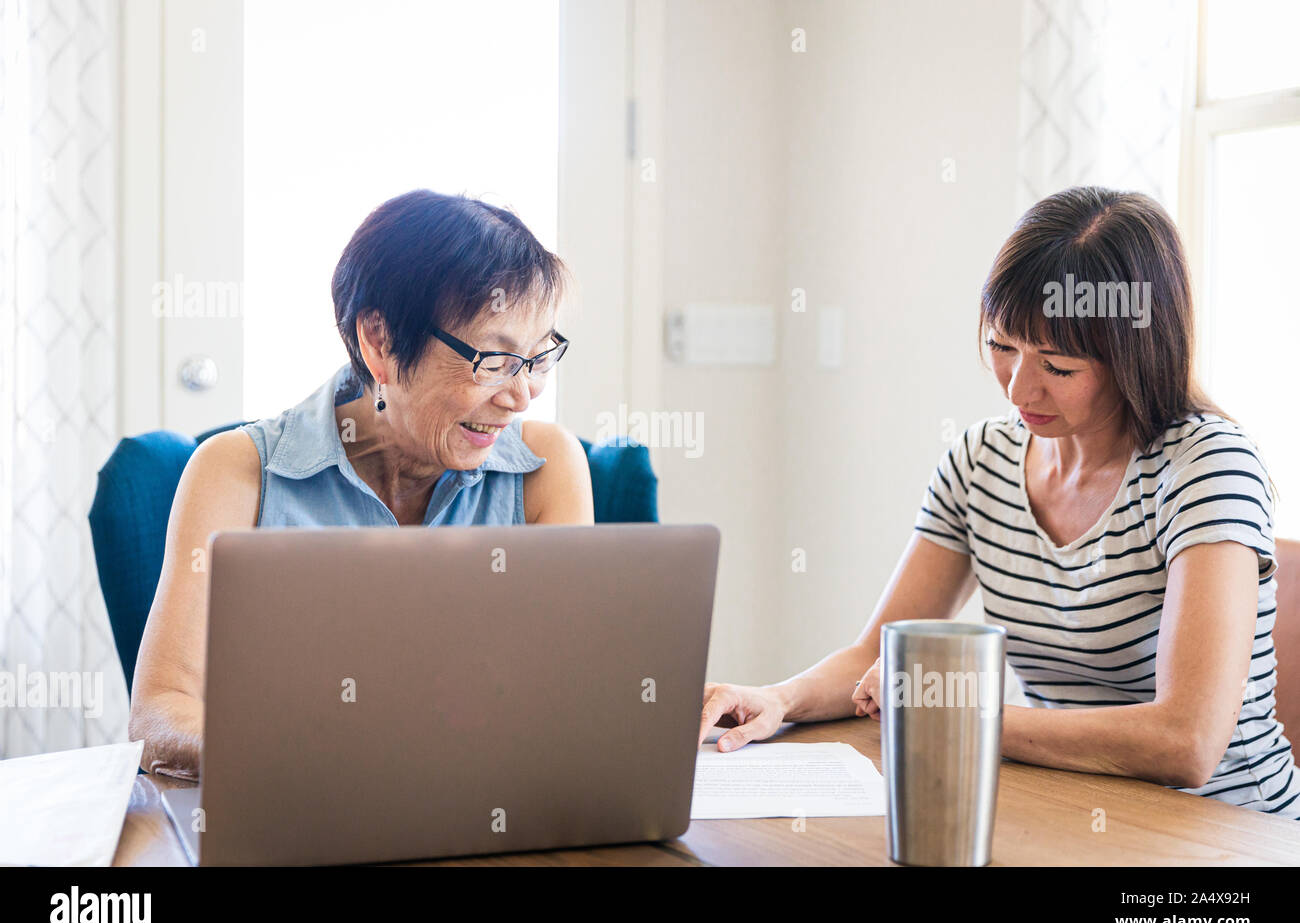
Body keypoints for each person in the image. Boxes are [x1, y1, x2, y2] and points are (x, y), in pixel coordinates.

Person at [700, 186, 1300, 817]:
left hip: (1230, 834)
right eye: (1002, 346)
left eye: (1059, 367)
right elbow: (876, 652)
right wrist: (780, 699)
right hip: (1071, 809)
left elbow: (1188, 743)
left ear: (1138, 356)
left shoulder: (1206, 466)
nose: (1018, 387)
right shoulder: (981, 460)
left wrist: (954, 712)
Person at [129, 191, 594, 778]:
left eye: (537, 356)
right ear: (379, 342)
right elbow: (157, 715)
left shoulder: (545, 467)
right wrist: (304, 760)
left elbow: (570, 688)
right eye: (494, 360)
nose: (522, 394)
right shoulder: (236, 473)